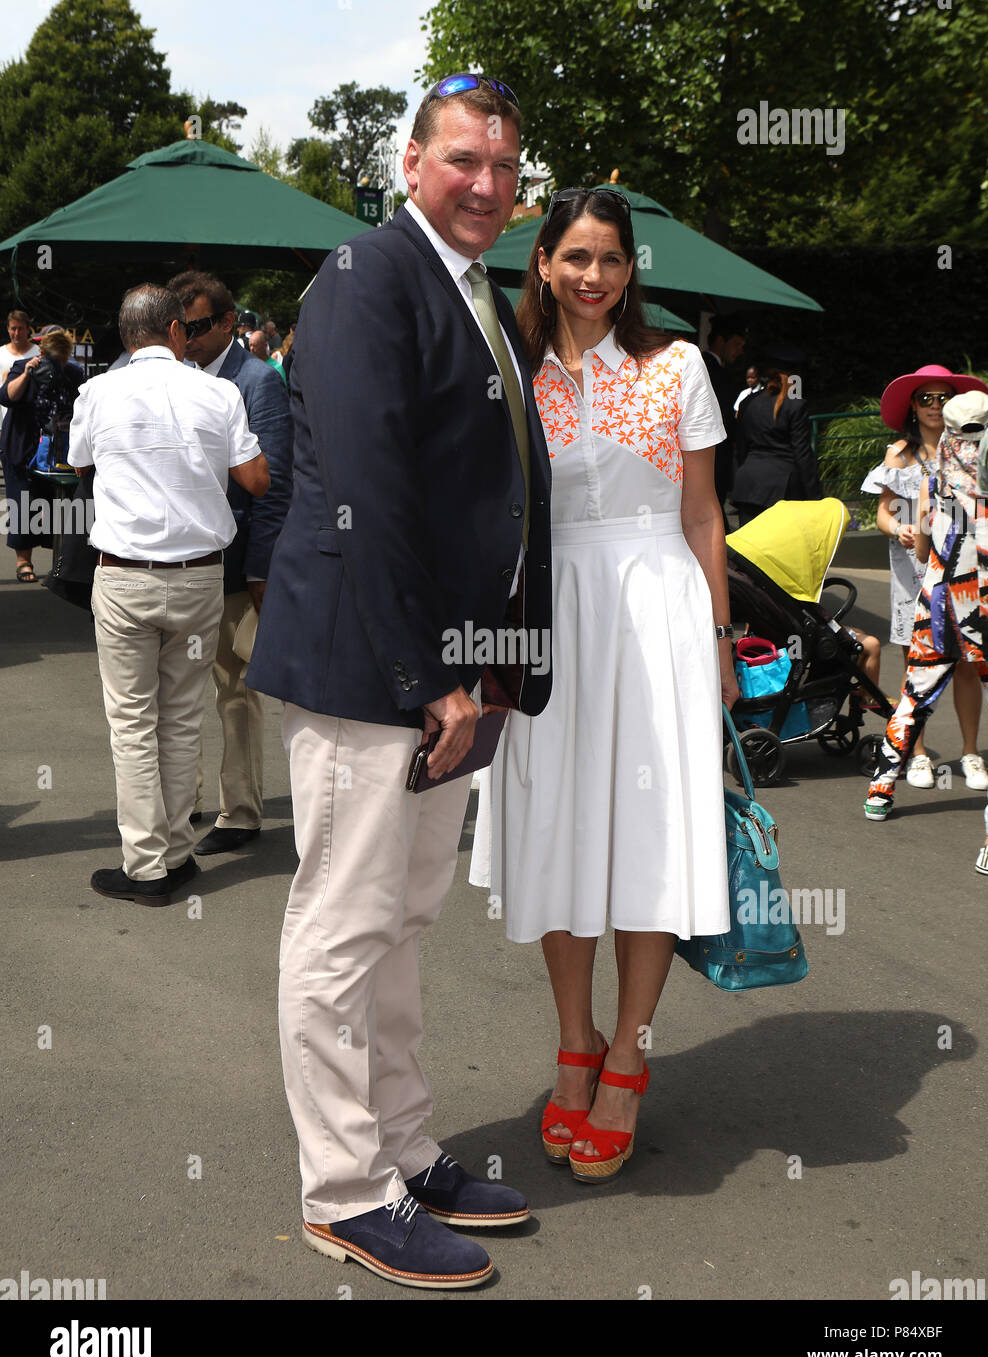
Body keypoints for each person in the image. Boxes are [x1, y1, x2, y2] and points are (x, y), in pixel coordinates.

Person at [246, 74, 553, 1289]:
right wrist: (430, 674)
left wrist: (488, 666)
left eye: (504, 168)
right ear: (412, 161)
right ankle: (343, 1190)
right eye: (463, 161)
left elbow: (491, 492)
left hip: (440, 668)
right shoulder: (369, 275)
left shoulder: (466, 287)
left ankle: (404, 1151)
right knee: (340, 928)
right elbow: (364, 493)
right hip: (371, 666)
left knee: (403, 923)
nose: (487, 186)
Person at [471, 186, 737, 1183]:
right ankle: (571, 1043)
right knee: (556, 832)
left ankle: (628, 1052)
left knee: (648, 833)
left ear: (632, 271)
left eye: (611, 260)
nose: (592, 276)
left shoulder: (677, 367)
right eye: (573, 256)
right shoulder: (509, 370)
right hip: (545, 618)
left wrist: (716, 635)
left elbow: (703, 515)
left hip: (657, 614)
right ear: (539, 260)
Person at [68, 284, 269, 906]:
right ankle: (176, 855)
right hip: (200, 575)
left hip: (125, 573)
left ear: (127, 337)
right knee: (181, 716)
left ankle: (146, 865)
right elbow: (257, 480)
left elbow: (79, 464)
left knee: (132, 722)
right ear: (177, 332)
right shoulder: (219, 390)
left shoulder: (97, 391)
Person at [166, 272, 293, 856]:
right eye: (179, 325)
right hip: (187, 561)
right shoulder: (180, 378)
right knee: (182, 691)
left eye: (194, 326)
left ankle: (240, 812)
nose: (183, 336)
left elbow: (273, 488)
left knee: (237, 690)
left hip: (237, 566)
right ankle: (186, 804)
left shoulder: (258, 382)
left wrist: (260, 573)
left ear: (224, 323)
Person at [865, 391, 988, 825]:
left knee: (913, 698)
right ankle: (980, 784)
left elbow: (920, 550)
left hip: (937, 604)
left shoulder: (931, 479)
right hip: (985, 602)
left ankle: (880, 790)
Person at [0, 326, 82, 582]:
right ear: (43, 351)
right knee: (24, 503)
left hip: (58, 449)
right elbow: (7, 396)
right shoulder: (25, 366)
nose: (58, 363)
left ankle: (63, 563)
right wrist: (26, 373)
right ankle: (24, 560)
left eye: (62, 357)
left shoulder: (73, 372)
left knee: (62, 505)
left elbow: (84, 405)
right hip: (22, 447)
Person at [730, 355, 821, 526]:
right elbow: (802, 453)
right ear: (794, 377)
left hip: (748, 485)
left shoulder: (748, 404)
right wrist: (815, 497)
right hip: (782, 489)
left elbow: (740, 449)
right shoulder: (795, 405)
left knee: (750, 549)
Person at [702, 314, 748, 512]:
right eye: (737, 344)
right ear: (721, 341)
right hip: (712, 455)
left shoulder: (708, 367)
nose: (740, 351)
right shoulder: (713, 371)